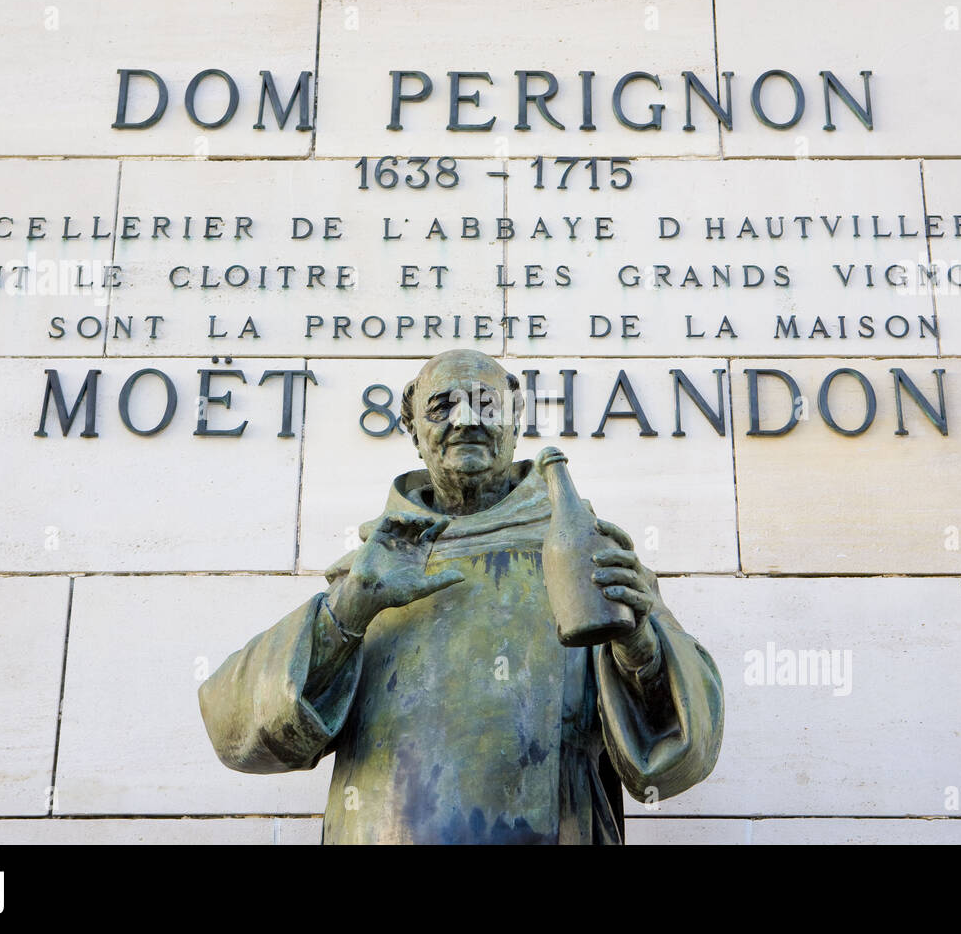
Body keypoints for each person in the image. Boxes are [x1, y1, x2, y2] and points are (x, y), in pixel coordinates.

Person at [198, 349, 723, 844]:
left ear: (516, 421)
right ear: (414, 430)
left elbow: (684, 749)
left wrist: (640, 645)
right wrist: (345, 613)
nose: (467, 419)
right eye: (442, 405)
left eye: (487, 404)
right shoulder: (373, 568)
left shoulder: (590, 554)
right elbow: (238, 735)